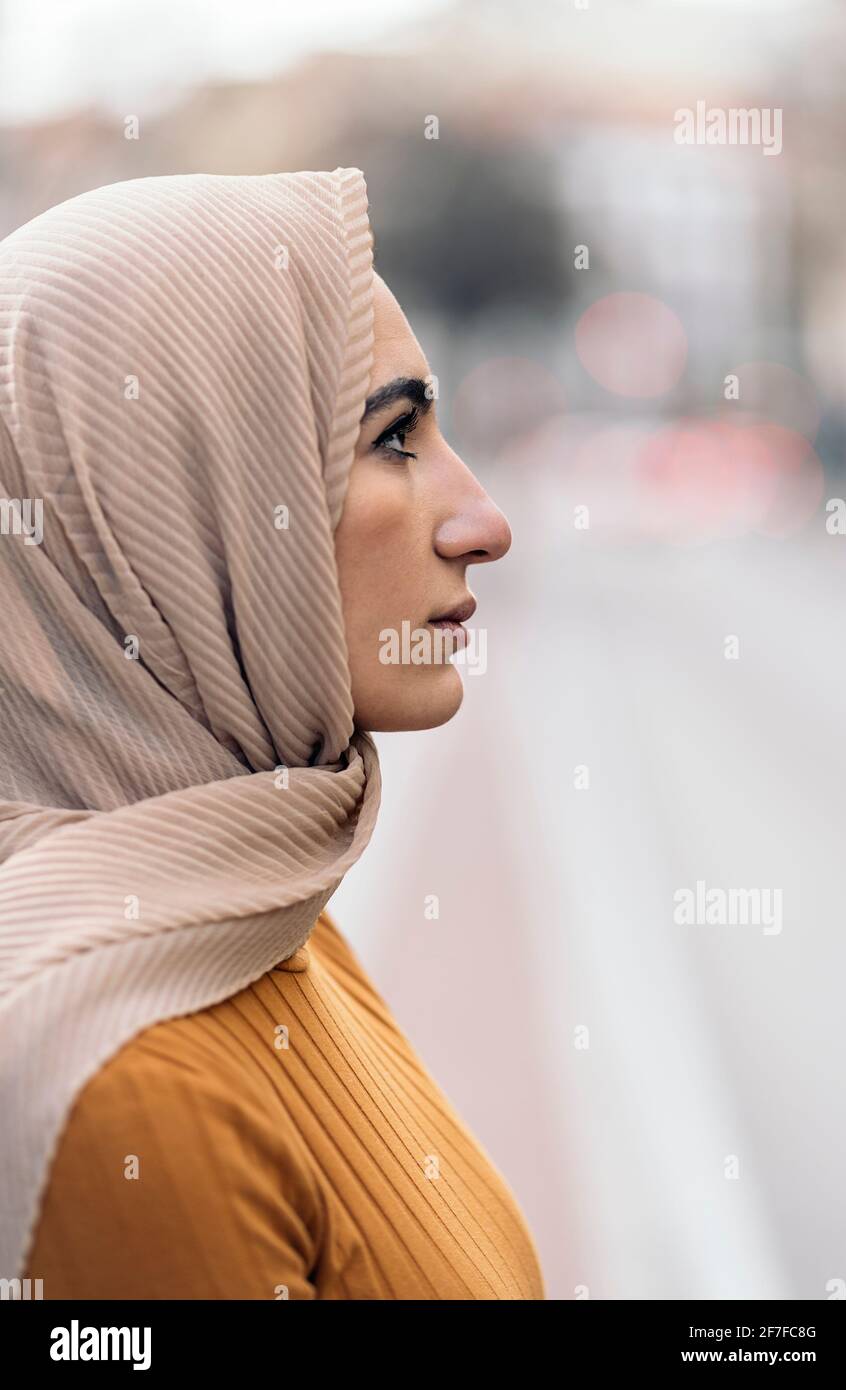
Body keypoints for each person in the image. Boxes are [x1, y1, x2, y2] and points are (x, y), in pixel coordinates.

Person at [0, 167, 545, 1299]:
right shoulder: (116, 1093)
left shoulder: (248, 904)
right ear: (180, 508)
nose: (483, 522)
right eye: (393, 437)